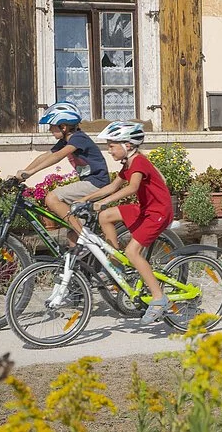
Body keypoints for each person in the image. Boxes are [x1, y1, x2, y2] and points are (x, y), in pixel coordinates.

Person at [71, 121, 174, 326]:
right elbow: (112, 187)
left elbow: (132, 188)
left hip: (158, 212)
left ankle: (159, 297)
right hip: (145, 209)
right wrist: (85, 200)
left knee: (132, 252)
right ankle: (115, 266)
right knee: (105, 216)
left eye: (111, 145)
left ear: (127, 145)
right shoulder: (128, 164)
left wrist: (102, 203)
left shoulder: (139, 162)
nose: (108, 150)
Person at [14, 102, 111, 243]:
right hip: (89, 183)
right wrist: (25, 172)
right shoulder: (65, 140)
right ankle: (81, 256)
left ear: (63, 126)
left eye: (52, 127)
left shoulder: (78, 138)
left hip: (96, 183)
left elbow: (57, 156)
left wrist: (31, 172)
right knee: (72, 237)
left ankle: (84, 236)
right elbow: (46, 155)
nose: (49, 130)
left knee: (52, 198)